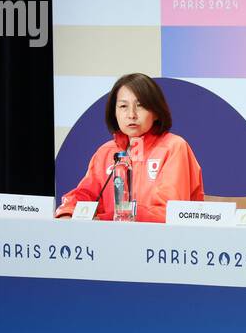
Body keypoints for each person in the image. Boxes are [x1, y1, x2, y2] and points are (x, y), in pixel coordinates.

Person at [55, 73, 204, 222]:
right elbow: (82, 195)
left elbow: (170, 212)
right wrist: (67, 213)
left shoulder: (174, 147)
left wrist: (105, 219)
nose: (131, 114)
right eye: (123, 106)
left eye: (140, 105)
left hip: (160, 242)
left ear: (156, 112)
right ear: (115, 113)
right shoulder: (105, 153)